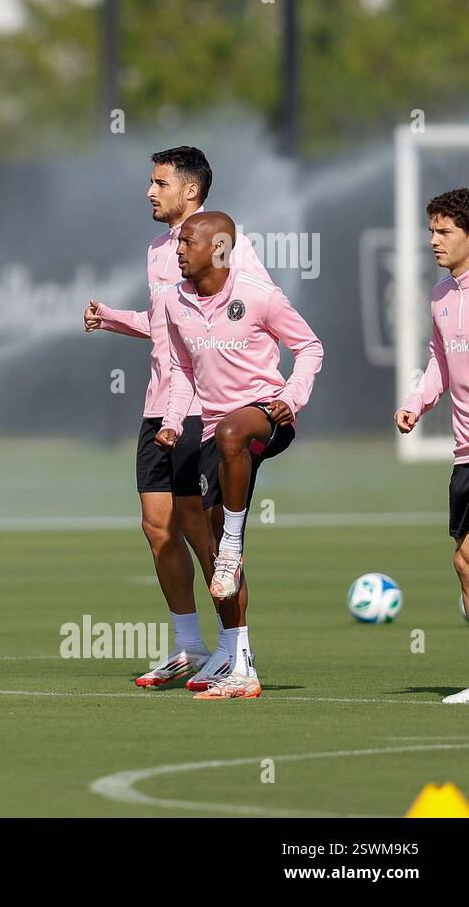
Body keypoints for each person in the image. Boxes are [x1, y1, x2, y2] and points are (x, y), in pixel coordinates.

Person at [85, 146, 272, 690]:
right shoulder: (157, 248)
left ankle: (236, 650)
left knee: (205, 527)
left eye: (160, 182)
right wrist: (115, 319)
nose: (150, 191)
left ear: (190, 190)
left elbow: (252, 310)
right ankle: (188, 645)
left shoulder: (226, 244)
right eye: (150, 181)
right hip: (158, 404)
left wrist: (253, 393)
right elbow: (169, 323)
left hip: (203, 407)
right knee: (157, 525)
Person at [156, 211, 323, 700]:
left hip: (265, 419)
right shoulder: (175, 302)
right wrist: (171, 421)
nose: (178, 250)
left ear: (220, 248)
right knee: (210, 549)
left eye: (187, 241)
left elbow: (310, 347)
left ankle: (232, 545)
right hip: (214, 435)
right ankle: (238, 659)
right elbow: (183, 370)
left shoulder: (259, 294)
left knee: (232, 433)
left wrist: (290, 398)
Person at [394, 187, 469, 705]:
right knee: (463, 562)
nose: (433, 240)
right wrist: (416, 404)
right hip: (464, 454)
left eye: (444, 231)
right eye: (431, 230)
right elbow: (439, 364)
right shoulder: (442, 295)